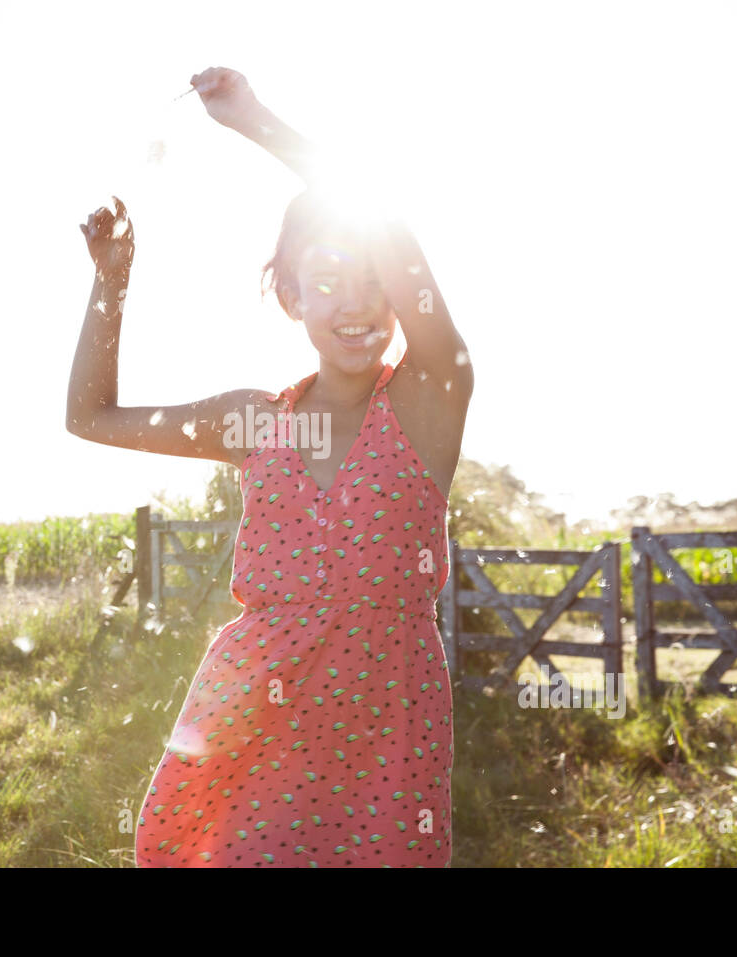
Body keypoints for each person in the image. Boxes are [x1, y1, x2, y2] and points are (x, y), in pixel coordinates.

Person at [69, 67, 474, 866]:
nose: (355, 303)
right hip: (255, 722)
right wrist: (110, 282)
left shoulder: (431, 400)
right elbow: (90, 416)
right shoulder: (255, 419)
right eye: (326, 282)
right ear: (289, 296)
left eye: (372, 281)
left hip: (385, 740)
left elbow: (387, 226)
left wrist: (256, 122)